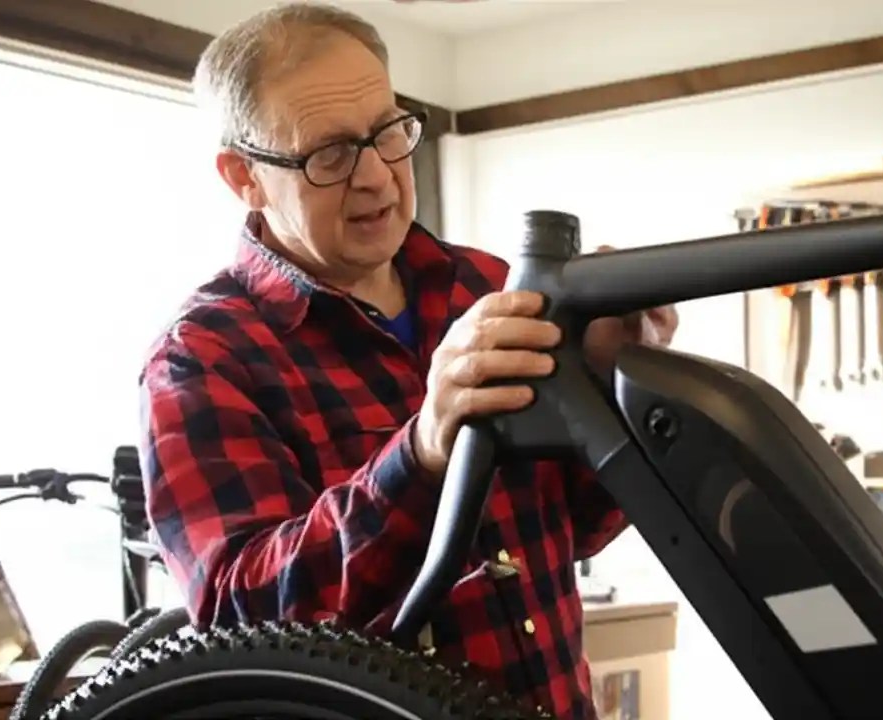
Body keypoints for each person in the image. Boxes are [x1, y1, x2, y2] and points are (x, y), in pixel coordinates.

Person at [137, 3, 678, 719]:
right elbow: (242, 621)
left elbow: (574, 527)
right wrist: (420, 454)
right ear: (244, 176)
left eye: (388, 133)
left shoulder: (488, 287)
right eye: (329, 153)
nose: (377, 176)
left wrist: (614, 385)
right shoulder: (203, 358)